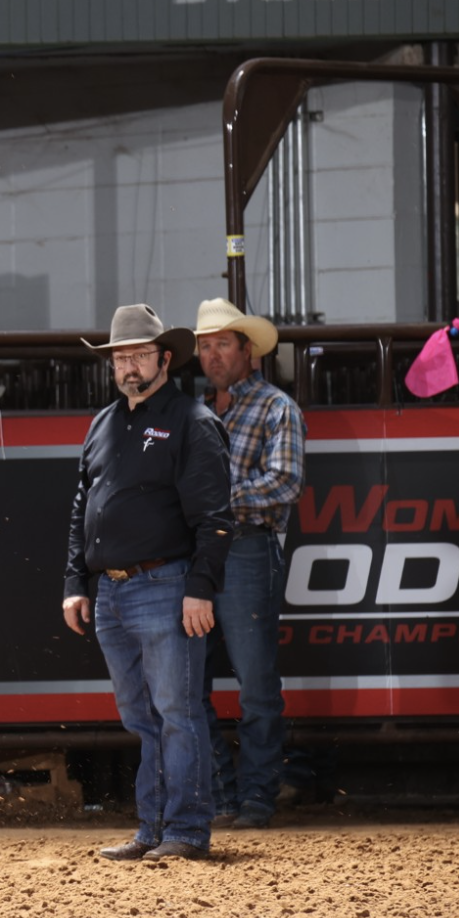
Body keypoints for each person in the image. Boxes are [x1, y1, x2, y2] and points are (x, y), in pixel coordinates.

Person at [62, 304, 234, 863]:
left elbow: (215, 516)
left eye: (139, 354)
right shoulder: (103, 423)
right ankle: (154, 828)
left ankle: (185, 830)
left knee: (177, 712)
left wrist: (200, 587)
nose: (128, 365)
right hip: (111, 591)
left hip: (167, 583)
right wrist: (75, 580)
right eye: (120, 356)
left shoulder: (192, 421)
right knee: (143, 716)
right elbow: (83, 505)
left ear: (164, 358)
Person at [194, 298, 305, 831]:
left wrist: (214, 502)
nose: (213, 355)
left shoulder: (276, 407)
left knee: (255, 681)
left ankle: (255, 795)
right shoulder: (191, 411)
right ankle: (226, 792)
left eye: (222, 344)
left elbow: (284, 483)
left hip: (243, 548)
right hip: (196, 553)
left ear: (248, 352)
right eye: (205, 346)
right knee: (186, 681)